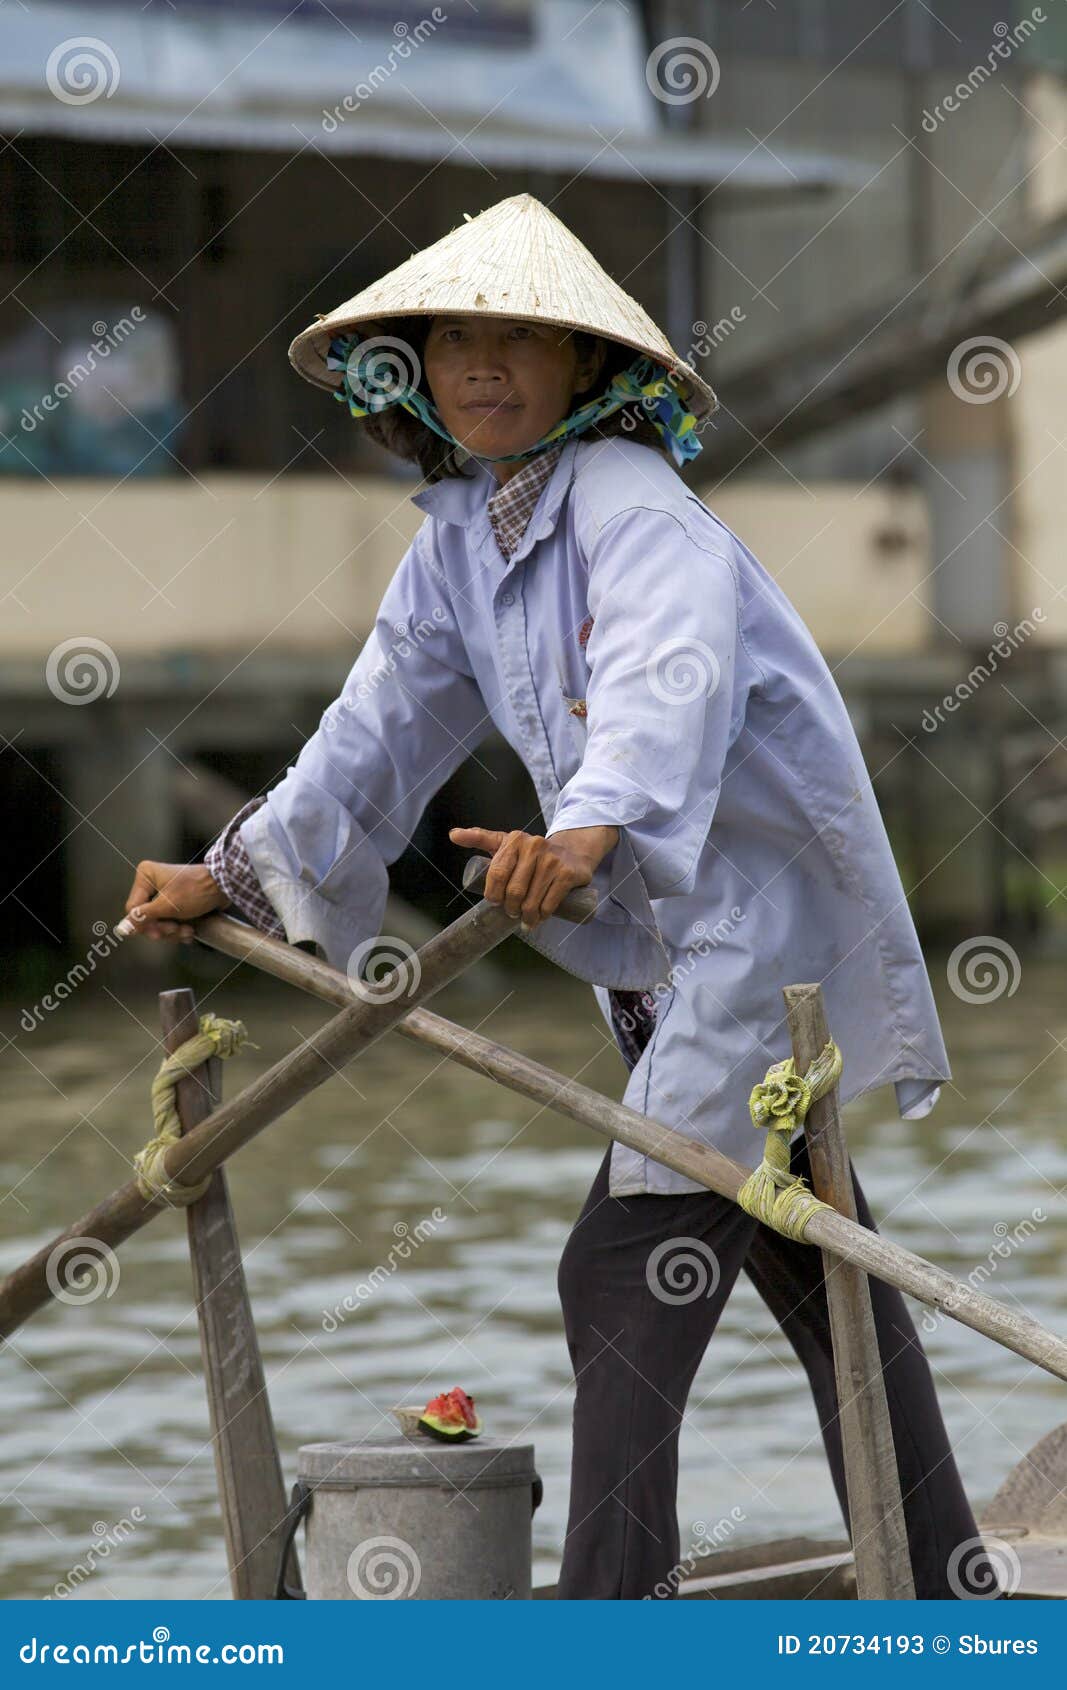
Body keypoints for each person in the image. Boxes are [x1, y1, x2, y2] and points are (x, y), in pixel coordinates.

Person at [123, 194, 987, 1598]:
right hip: (675, 953)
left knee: (623, 1266)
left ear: (583, 363)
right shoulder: (461, 535)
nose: (482, 365)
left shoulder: (634, 507)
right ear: (411, 368)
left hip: (756, 936)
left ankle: (605, 1623)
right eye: (454, 339)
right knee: (818, 1263)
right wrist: (224, 869)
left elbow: (662, 685)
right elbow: (376, 730)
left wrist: (580, 835)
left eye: (517, 339)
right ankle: (946, 1580)